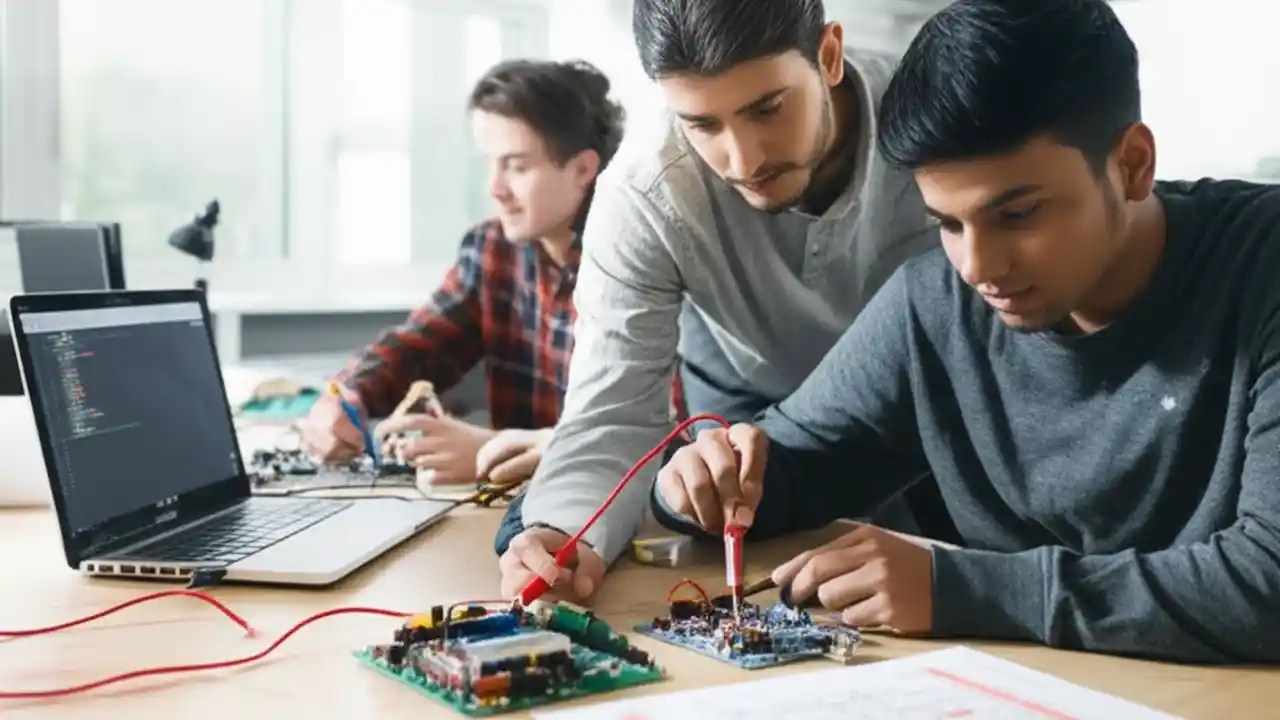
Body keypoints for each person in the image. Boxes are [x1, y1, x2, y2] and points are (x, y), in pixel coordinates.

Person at [650, 0, 1280, 663]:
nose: (979, 268)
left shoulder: (1263, 270)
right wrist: (694, 483)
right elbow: (790, 471)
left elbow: (1267, 584)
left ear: (1131, 164)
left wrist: (969, 589)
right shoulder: (936, 304)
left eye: (1018, 214)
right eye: (948, 223)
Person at [497, 0, 941, 604]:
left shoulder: (940, 122)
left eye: (768, 108)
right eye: (703, 125)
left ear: (828, 56)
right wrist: (559, 530)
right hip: (753, 421)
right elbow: (615, 412)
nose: (744, 159)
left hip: (932, 420)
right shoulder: (645, 192)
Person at [302, 59, 625, 486]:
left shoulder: (633, 263)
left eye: (517, 166)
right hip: (514, 512)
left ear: (584, 169)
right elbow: (418, 347)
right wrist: (344, 397)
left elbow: (649, 438)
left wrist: (493, 447)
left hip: (616, 513)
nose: (494, 188)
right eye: (490, 163)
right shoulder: (492, 249)